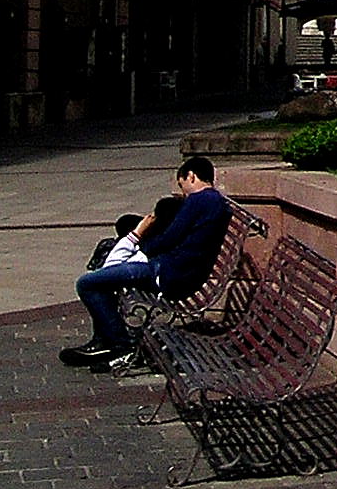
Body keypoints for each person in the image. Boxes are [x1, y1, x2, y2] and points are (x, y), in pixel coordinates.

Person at [61, 157, 231, 370]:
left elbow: (170, 237)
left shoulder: (199, 199)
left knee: (87, 283)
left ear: (191, 176)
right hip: (176, 271)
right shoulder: (215, 202)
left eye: (182, 186)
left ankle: (121, 346)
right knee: (102, 275)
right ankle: (104, 341)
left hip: (167, 273)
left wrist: (142, 251)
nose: (184, 193)